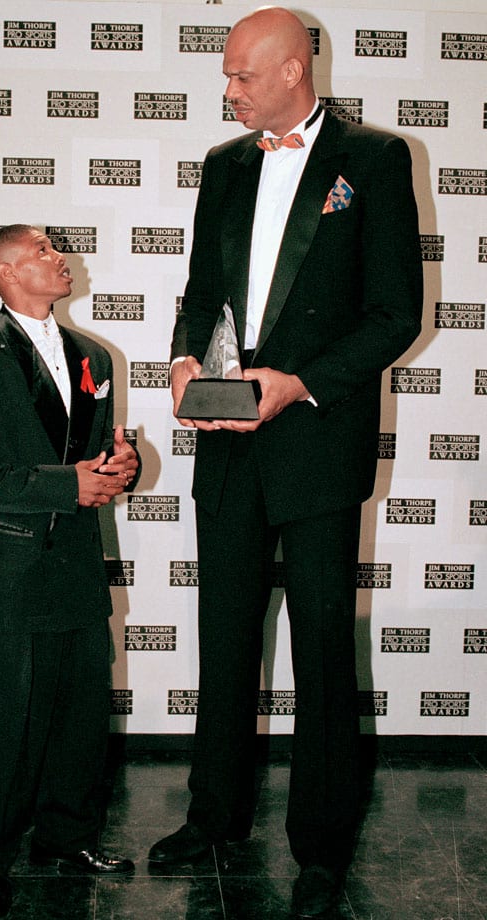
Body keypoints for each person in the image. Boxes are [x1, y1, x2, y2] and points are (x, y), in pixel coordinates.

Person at [149, 7, 422, 918]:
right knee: (222, 641)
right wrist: (187, 358)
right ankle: (214, 816)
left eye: (241, 75)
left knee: (319, 653)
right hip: (225, 445)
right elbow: (198, 293)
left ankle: (321, 849)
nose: (227, 91)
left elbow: (394, 315)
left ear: (296, 71)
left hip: (314, 439)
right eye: (226, 76)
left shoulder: (375, 161)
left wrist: (297, 382)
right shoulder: (224, 167)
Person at [0, 224, 140, 920]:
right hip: (9, 572)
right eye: (45, 250)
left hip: (78, 569)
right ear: (8, 271)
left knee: (80, 718)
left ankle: (68, 837)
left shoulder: (93, 355)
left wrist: (121, 473)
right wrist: (67, 487)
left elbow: (96, 459)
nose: (61, 257)